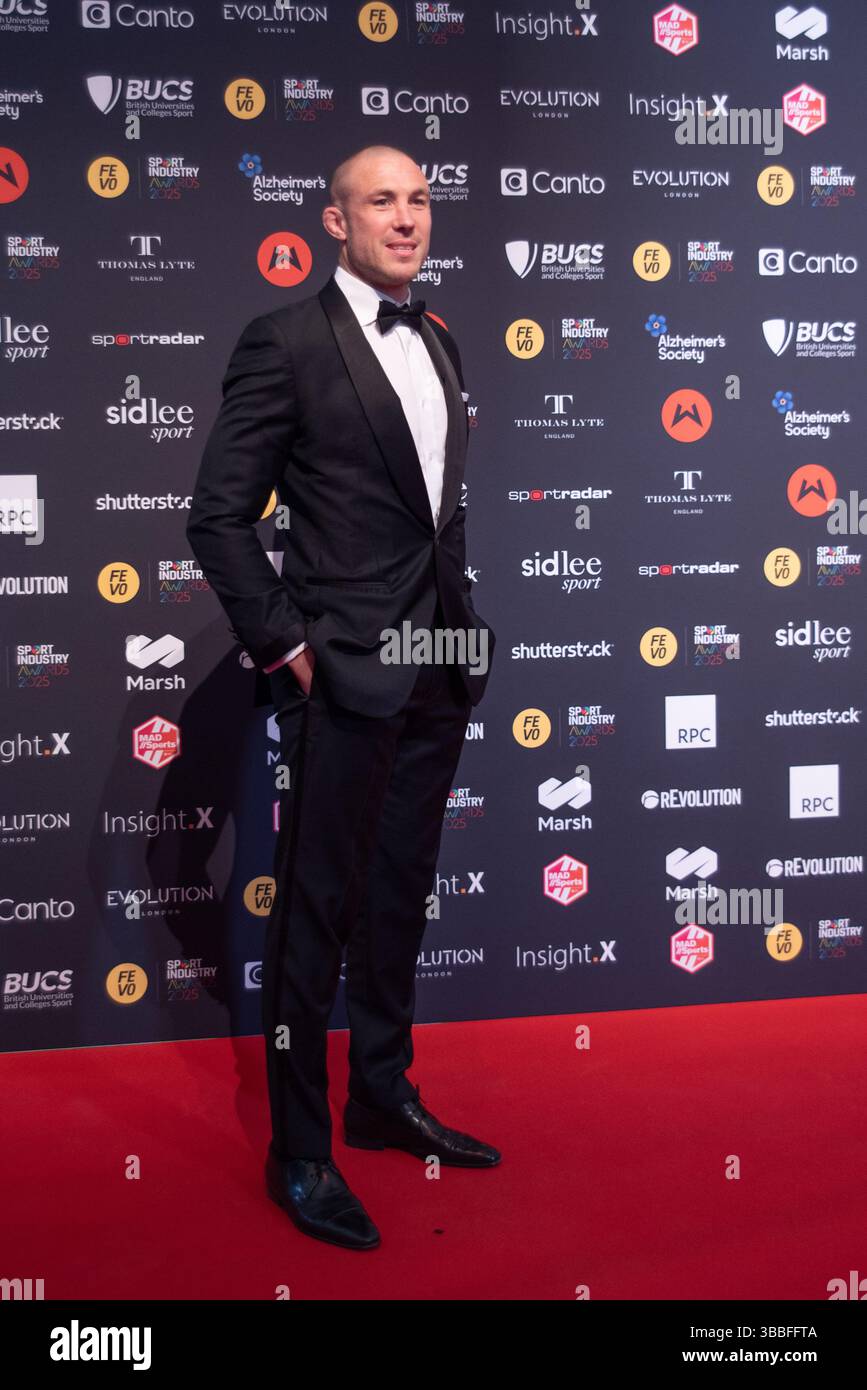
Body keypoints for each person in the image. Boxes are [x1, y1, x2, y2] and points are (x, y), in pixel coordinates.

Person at [186, 145, 499, 1251]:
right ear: (335, 221)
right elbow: (218, 516)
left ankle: (380, 1092)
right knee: (314, 916)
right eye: (382, 201)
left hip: (436, 662)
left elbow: (431, 517)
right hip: (342, 676)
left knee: (398, 894)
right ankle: (301, 1150)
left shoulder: (445, 338)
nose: (406, 218)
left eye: (419, 199)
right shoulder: (284, 340)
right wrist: (286, 646)